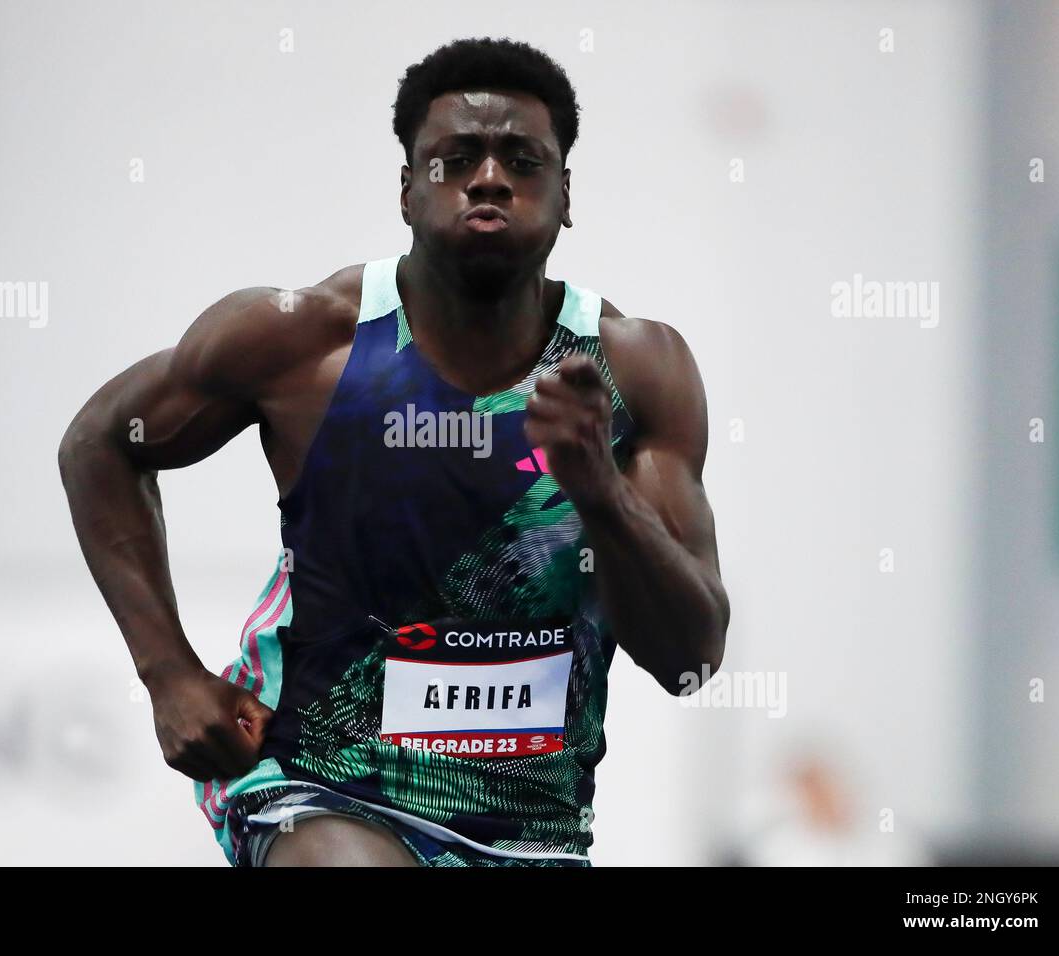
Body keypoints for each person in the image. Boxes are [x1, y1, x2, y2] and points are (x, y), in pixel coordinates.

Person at [58, 36, 729, 867]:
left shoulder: (636, 372)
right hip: (316, 781)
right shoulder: (303, 340)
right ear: (408, 191)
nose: (489, 177)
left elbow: (690, 661)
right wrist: (168, 671)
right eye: (456, 159)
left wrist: (601, 491)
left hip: (536, 832)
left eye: (523, 159)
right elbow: (100, 442)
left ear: (565, 197)